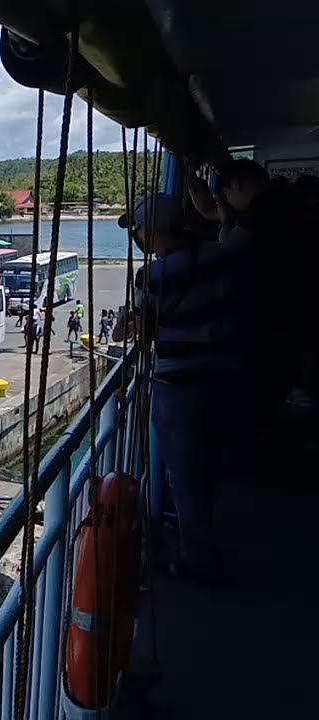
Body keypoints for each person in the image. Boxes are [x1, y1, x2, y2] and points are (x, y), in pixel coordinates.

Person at [116, 193, 253, 583]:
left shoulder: (152, 277)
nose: (138, 236)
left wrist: (133, 320)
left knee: (184, 473)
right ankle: (203, 540)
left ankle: (198, 559)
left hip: (177, 381)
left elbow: (145, 334)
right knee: (207, 463)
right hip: (223, 373)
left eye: (140, 228)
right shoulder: (218, 255)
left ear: (155, 230)